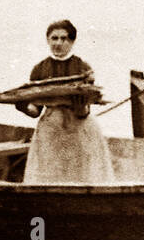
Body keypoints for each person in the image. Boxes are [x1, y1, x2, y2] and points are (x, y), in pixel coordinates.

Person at [18, 20, 111, 183]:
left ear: (72, 41)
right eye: (54, 38)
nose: (58, 43)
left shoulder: (83, 68)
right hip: (51, 128)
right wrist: (21, 105)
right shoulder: (39, 69)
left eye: (64, 39)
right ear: (47, 40)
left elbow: (85, 111)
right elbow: (35, 110)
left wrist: (80, 107)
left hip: (79, 126)